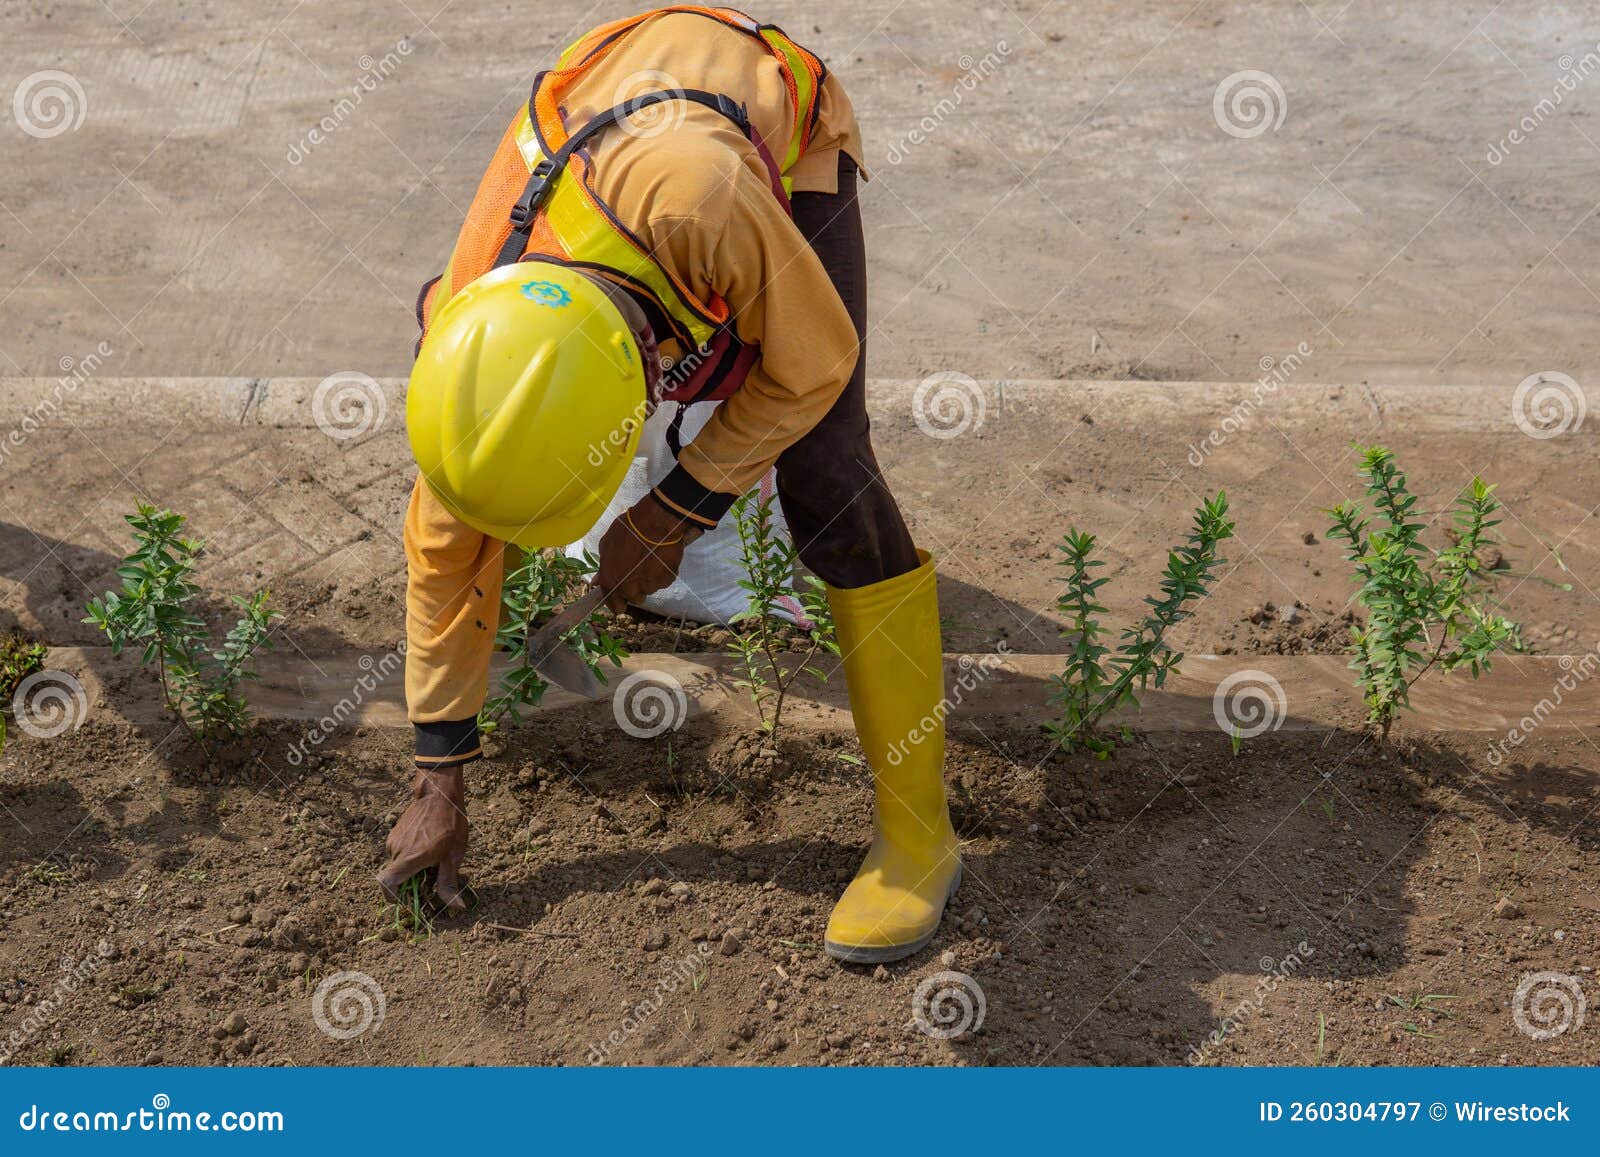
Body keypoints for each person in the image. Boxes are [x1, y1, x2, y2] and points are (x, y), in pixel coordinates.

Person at [380, 6, 959, 963]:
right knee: (510, 469)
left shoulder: (708, 203)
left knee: (825, 472)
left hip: (759, 129)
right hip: (609, 127)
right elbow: (450, 545)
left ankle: (920, 841)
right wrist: (437, 779)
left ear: (654, 364)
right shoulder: (471, 330)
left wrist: (676, 509)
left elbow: (812, 364)